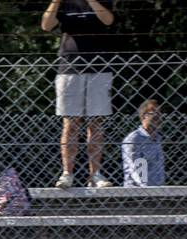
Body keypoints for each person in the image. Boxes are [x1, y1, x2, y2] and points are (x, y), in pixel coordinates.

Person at [42, 0, 118, 188]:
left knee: (96, 122)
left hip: (99, 66)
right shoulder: (64, 3)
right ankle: (67, 173)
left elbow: (108, 20)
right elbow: (46, 25)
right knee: (70, 122)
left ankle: (96, 175)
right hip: (69, 66)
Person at [122, 99, 166, 186]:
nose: (157, 116)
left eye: (159, 113)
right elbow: (135, 170)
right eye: (153, 113)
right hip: (137, 192)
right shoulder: (134, 139)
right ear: (144, 116)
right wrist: (147, 190)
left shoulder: (158, 139)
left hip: (158, 191)